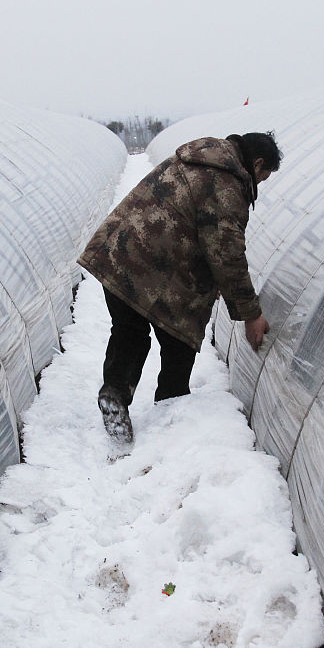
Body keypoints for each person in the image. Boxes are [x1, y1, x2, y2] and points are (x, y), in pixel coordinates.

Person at [78, 131, 281, 443]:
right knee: (179, 345)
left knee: (128, 331)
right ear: (256, 163)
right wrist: (250, 314)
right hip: (161, 272)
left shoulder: (193, 158)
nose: (260, 184)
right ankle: (169, 417)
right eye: (263, 176)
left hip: (118, 255)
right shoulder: (226, 185)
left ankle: (115, 394)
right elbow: (227, 255)